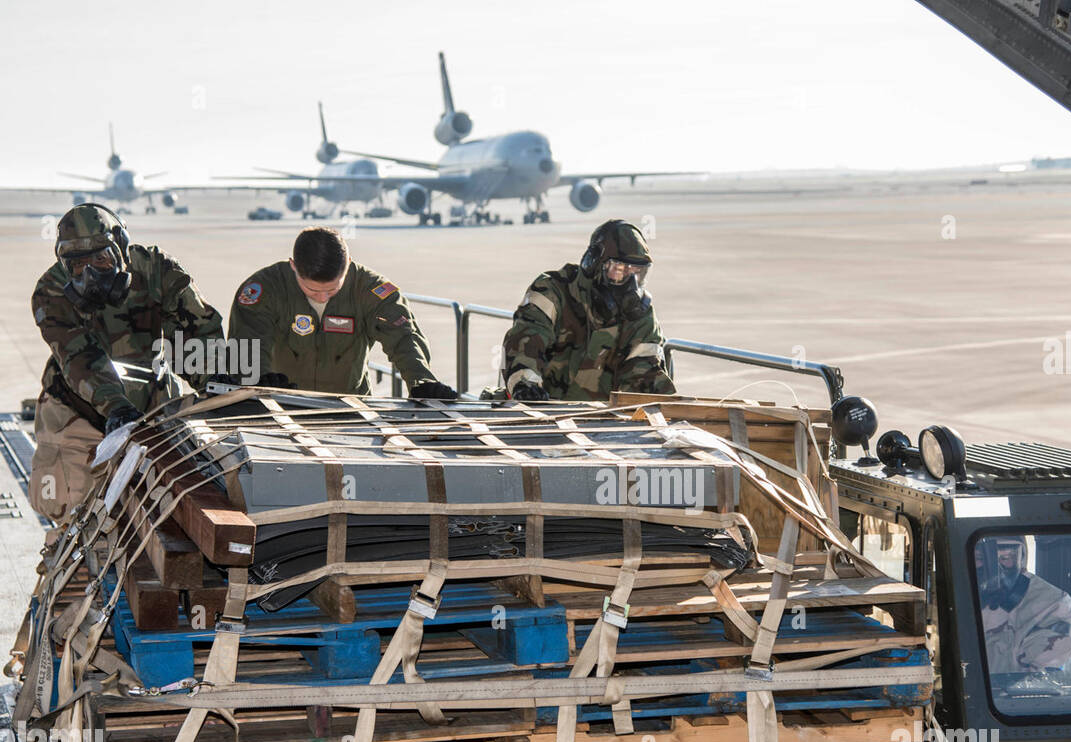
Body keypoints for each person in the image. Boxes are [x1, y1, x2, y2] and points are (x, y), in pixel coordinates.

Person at [29, 203, 221, 523]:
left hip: (152, 402)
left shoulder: (158, 270)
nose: (90, 274)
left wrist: (218, 384)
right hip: (79, 407)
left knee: (173, 504)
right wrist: (115, 406)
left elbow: (196, 335)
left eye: (101, 259)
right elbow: (80, 358)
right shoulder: (51, 291)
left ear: (120, 248)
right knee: (74, 516)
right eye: (77, 264)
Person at [225, 227, 457, 397]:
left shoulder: (371, 290)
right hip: (279, 406)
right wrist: (258, 380)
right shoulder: (265, 288)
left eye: (333, 289)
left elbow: (403, 339)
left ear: (348, 265)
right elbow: (247, 340)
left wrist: (421, 381)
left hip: (349, 408)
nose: (322, 297)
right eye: (311, 289)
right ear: (293, 265)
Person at [501, 219, 676, 401]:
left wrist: (663, 406)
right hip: (541, 409)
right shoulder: (553, 292)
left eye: (637, 273)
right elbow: (526, 341)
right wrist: (526, 385)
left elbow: (646, 374)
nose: (630, 283)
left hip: (599, 420)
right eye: (620, 269)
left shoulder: (641, 317)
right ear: (593, 264)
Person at [978, 535, 1071, 675]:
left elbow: (1048, 660)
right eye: (980, 559)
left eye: (1006, 558)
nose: (995, 569)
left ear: (1022, 558)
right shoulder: (944, 594)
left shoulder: (1051, 603)